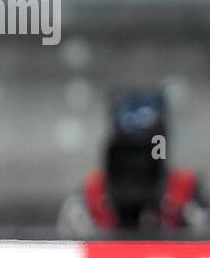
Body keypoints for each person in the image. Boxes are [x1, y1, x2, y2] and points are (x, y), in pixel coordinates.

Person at [58, 88, 208, 236]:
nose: (137, 165)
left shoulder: (185, 192)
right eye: (128, 152)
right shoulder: (90, 197)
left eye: (150, 149)